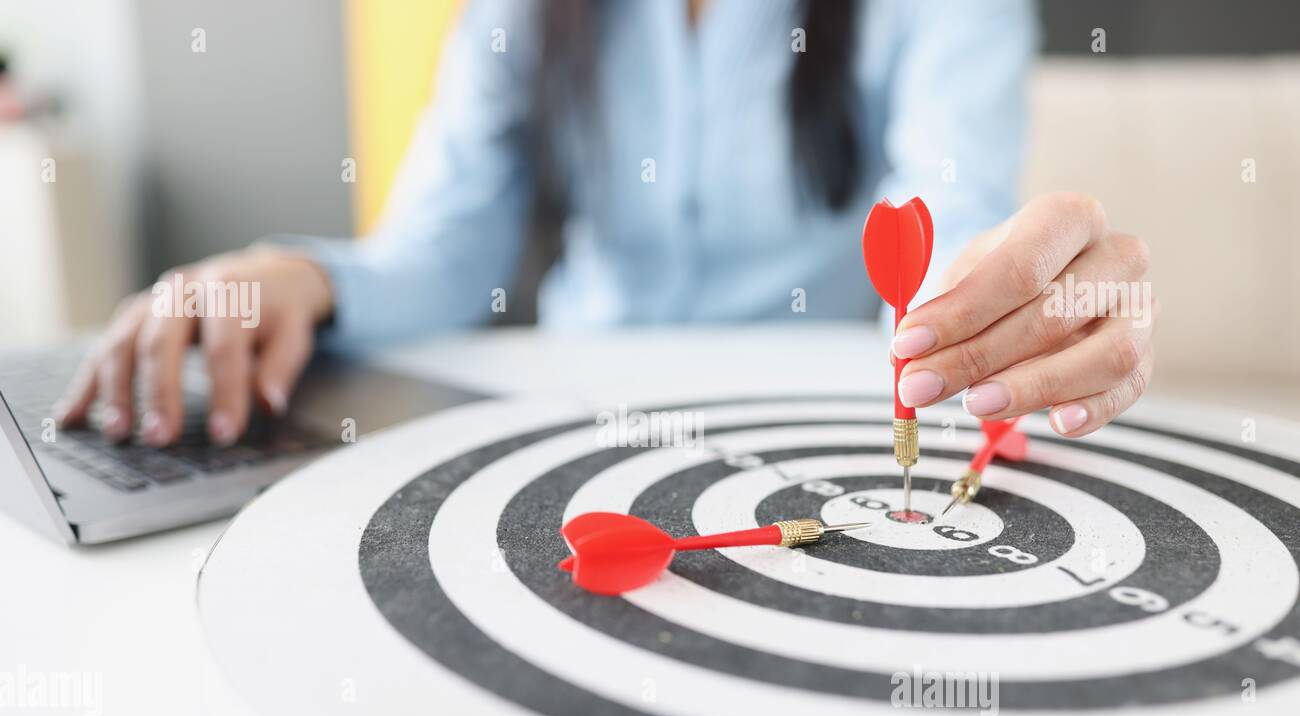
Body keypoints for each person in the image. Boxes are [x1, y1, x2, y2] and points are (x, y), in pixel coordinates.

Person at [56, 0, 1153, 447]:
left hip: (818, 425)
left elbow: (947, 214)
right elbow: (445, 256)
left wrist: (1005, 305)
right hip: (566, 424)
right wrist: (297, 274)